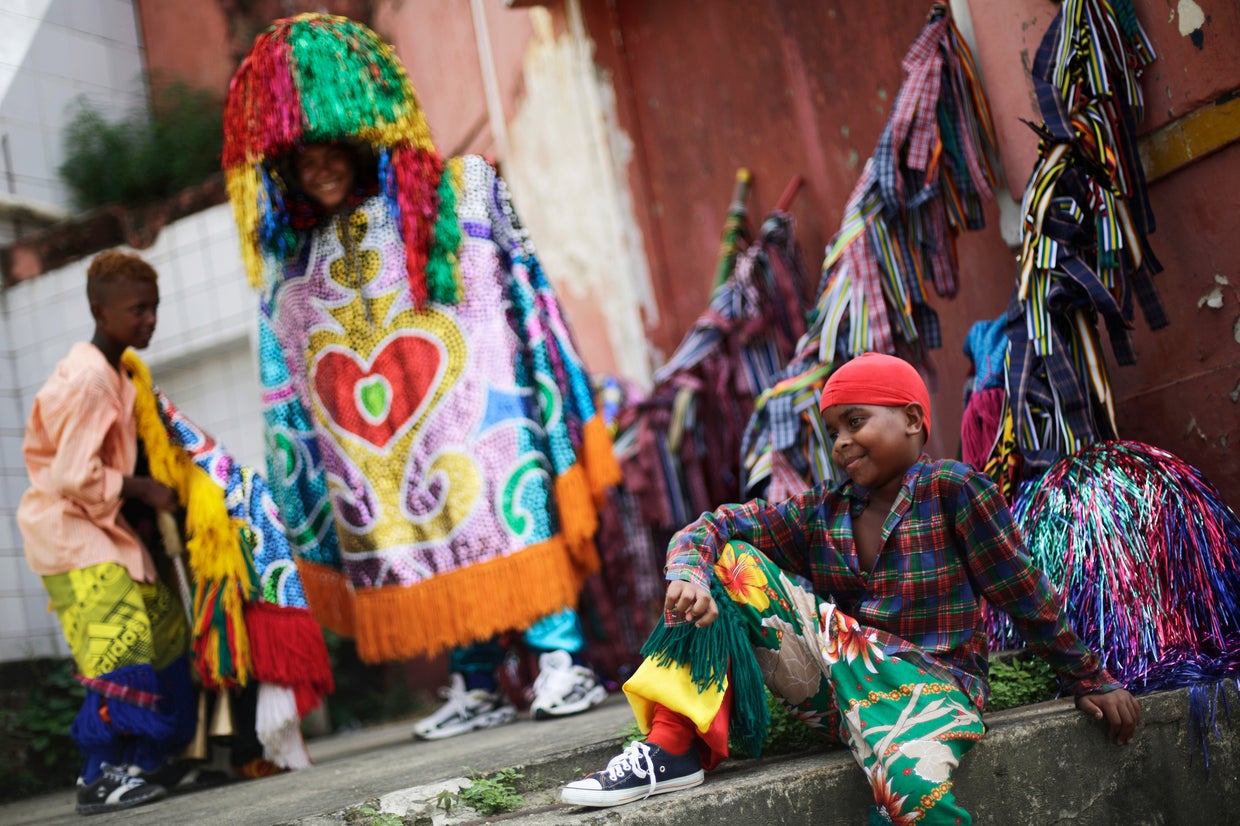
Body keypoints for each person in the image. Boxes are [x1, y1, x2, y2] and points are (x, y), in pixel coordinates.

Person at [223, 15, 617, 739]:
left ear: (359, 141)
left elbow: (513, 289)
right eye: (301, 163)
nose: (320, 171)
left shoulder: (452, 194)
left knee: (506, 509)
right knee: (423, 532)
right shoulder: (293, 261)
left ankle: (560, 661)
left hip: (479, 411)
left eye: (329, 152)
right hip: (387, 439)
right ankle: (475, 681)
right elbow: (290, 367)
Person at [561, 353, 1141, 823]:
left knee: (911, 797)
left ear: (913, 420)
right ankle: (673, 746)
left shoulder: (952, 488)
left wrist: (1086, 676)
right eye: (832, 430)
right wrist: (689, 574)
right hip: (839, 688)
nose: (840, 442)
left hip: (929, 691)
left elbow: (1021, 588)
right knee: (729, 560)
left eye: (855, 422)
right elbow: (716, 524)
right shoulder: (824, 510)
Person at [18, 251, 188, 814]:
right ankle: (98, 776)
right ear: (100, 311)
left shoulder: (116, 372)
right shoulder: (92, 378)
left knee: (160, 631)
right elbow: (71, 475)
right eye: (137, 310)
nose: (150, 321)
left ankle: (142, 759)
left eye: (154, 309)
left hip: (99, 531)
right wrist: (142, 490)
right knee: (117, 646)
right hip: (70, 532)